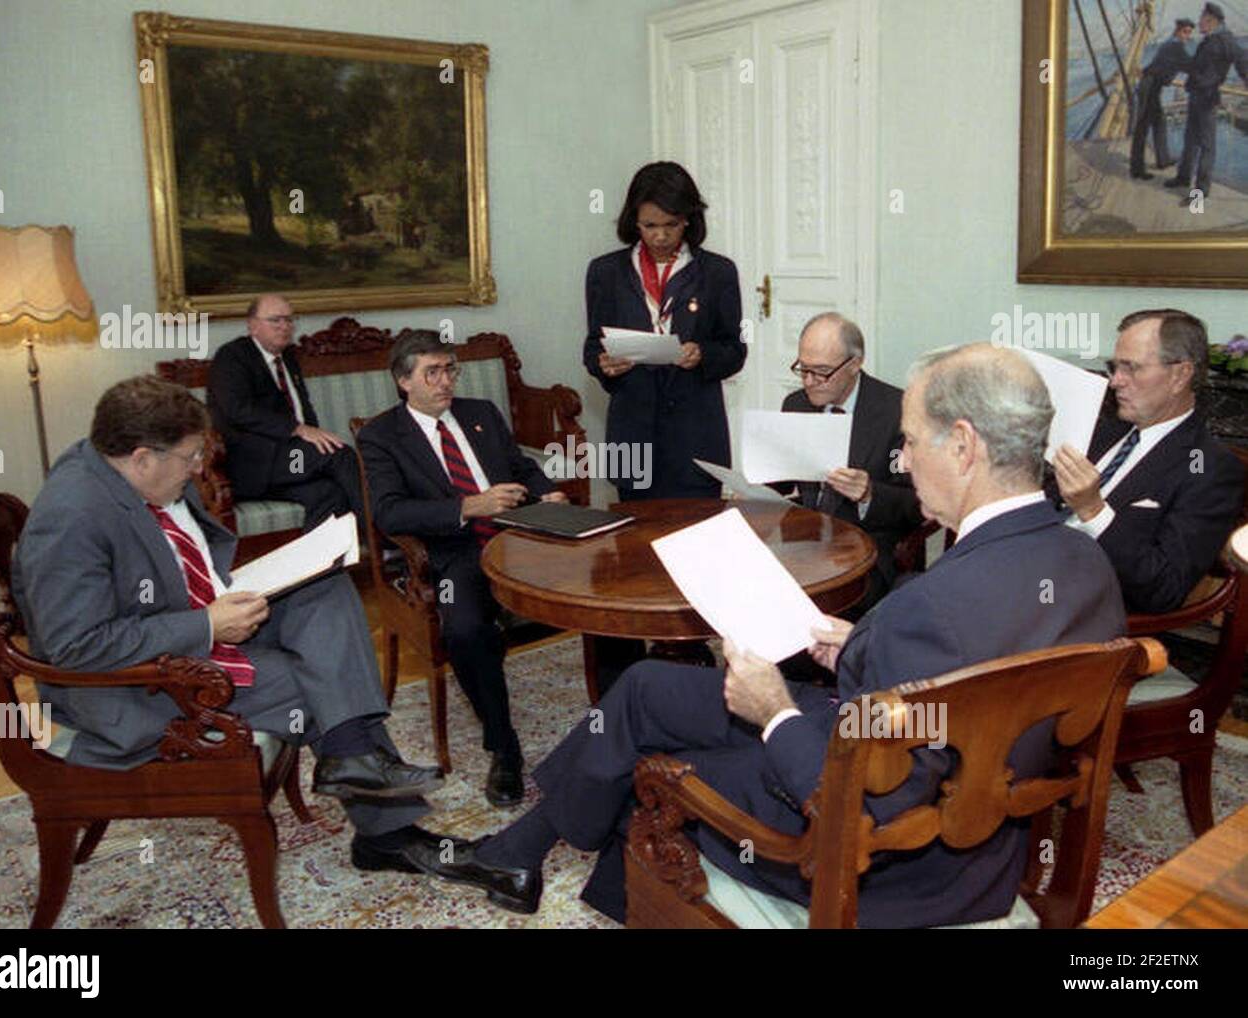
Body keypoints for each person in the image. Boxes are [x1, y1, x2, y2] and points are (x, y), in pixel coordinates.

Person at [389, 344, 1127, 925]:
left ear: (963, 445)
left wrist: (775, 708)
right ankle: (520, 852)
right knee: (644, 686)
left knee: (655, 761)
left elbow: (857, 803)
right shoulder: (1086, 560)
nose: (902, 461)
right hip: (959, 805)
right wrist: (860, 643)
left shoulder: (930, 608)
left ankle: (617, 888)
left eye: (908, 443)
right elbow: (949, 696)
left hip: (897, 863)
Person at [11, 376, 474, 876]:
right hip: (134, 686)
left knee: (326, 590)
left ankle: (350, 760)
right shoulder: (70, 518)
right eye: (189, 458)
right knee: (315, 675)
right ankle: (384, 825)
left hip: (189, 614)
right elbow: (76, 647)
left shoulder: (119, 466)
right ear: (142, 456)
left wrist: (230, 598)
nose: (197, 470)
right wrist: (205, 624)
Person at [357, 332, 565, 809]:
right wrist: (470, 506)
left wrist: (547, 490)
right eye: (432, 372)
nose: (445, 381)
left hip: (520, 537)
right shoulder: (381, 436)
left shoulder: (481, 414)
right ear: (403, 380)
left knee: (599, 585)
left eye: (450, 369)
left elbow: (520, 468)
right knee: (467, 629)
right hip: (456, 552)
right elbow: (390, 513)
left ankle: (616, 713)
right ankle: (503, 747)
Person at [1052, 308, 1243, 613]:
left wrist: (1093, 510)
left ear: (1180, 375)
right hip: (1024, 574)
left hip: (1079, 614)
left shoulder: (1209, 467)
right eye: (1115, 367)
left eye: (1131, 368)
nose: (1115, 381)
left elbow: (1164, 589)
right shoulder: (1100, 431)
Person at [583, 161, 746, 501]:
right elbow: (591, 347)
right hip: (632, 436)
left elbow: (734, 350)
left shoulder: (718, 272)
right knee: (635, 546)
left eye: (671, 225)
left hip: (697, 437)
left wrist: (703, 354)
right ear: (634, 221)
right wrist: (604, 365)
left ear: (688, 218)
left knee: (699, 544)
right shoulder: (605, 273)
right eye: (649, 225)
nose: (660, 235)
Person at [779, 312, 921, 607]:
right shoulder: (796, 405)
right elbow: (785, 479)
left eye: (821, 372)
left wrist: (869, 494)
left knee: (802, 607)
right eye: (803, 369)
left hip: (865, 550)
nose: (809, 382)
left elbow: (915, 503)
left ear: (855, 364)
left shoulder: (898, 412)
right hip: (804, 544)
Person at [207, 294, 364, 530]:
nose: (285, 326)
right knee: (338, 455)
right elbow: (237, 410)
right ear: (252, 325)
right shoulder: (232, 357)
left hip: (291, 467)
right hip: (258, 467)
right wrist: (299, 430)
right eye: (275, 320)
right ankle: (381, 535)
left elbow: (302, 408)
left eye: (289, 320)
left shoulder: (287, 356)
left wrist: (313, 435)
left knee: (327, 493)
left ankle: (328, 566)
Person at [1164, 3, 1248, 202]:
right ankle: (1183, 178)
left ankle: (1200, 193)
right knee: (1190, 141)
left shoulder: (1224, 40)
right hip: (1195, 96)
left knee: (1206, 146)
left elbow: (1242, 57)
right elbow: (1197, 67)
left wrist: (1246, 78)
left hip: (1208, 98)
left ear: (1211, 20)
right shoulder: (1209, 41)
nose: (1198, 23)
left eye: (1201, 19)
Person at [1129, 18, 1194, 179]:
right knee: (1142, 127)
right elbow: (1190, 65)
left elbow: (1157, 64)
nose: (1188, 36)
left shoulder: (1168, 44)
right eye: (1185, 32)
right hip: (1149, 87)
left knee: (1159, 122)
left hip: (1152, 85)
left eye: (1190, 33)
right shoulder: (1175, 46)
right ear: (1178, 31)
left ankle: (1163, 159)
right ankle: (1137, 170)